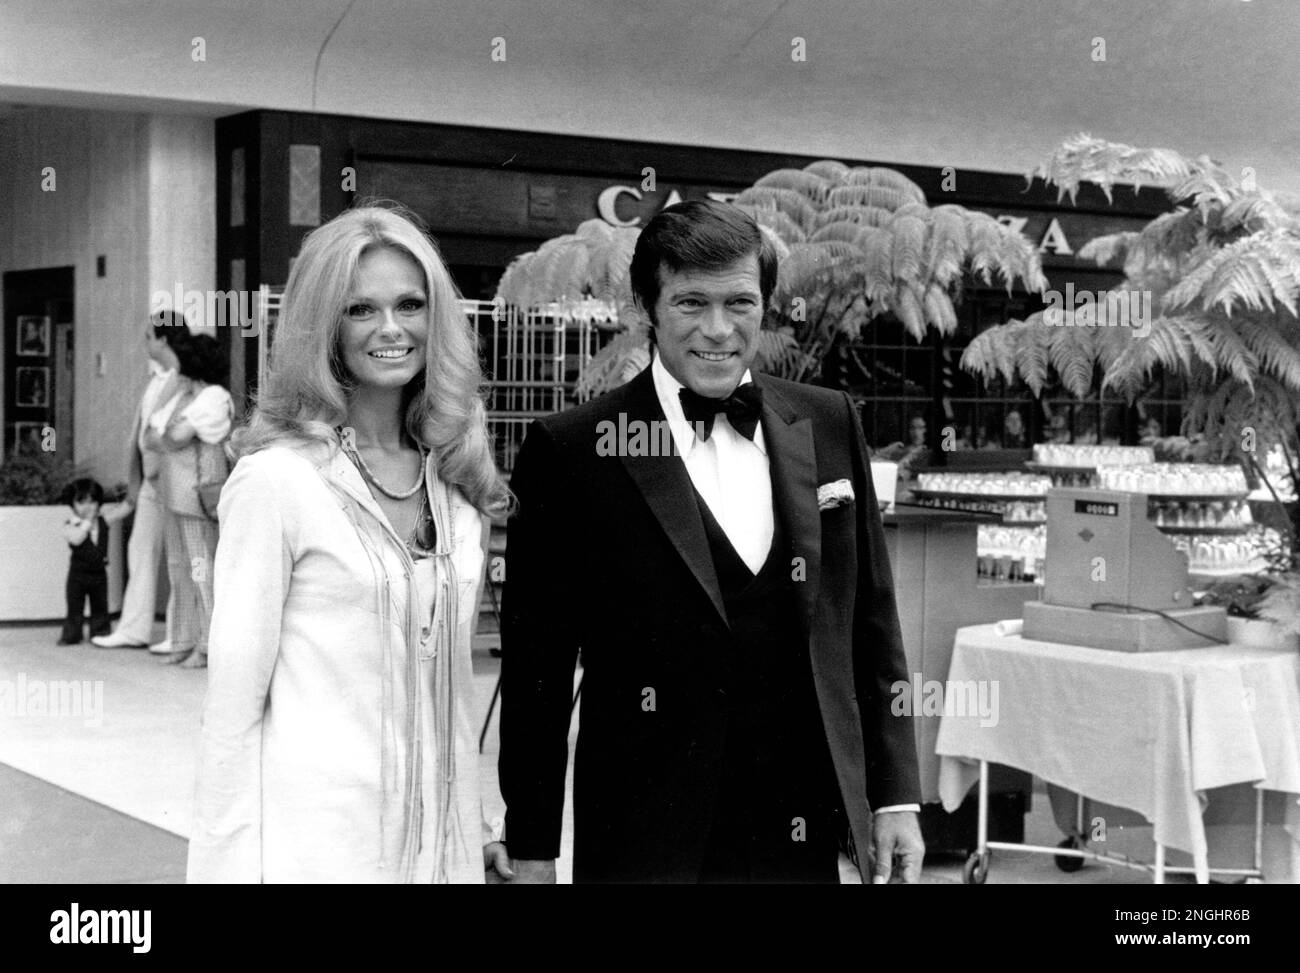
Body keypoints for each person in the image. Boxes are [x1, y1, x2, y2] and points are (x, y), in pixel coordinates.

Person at [499, 200, 924, 884]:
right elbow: (536, 677)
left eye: (740, 303)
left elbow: (873, 625)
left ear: (765, 306)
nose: (718, 330)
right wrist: (532, 848)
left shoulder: (828, 421)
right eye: (691, 303)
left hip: (800, 825)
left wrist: (896, 794)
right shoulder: (570, 452)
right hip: (641, 833)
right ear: (645, 310)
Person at [187, 204, 513, 883]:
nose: (391, 328)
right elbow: (232, 709)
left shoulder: (455, 482)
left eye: (410, 304)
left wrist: (477, 826)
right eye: (360, 309)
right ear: (322, 325)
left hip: (440, 852)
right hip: (317, 849)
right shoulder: (275, 481)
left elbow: (453, 691)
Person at [92, 312, 189, 653]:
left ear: (163, 340)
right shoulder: (156, 380)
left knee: (181, 556)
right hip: (151, 481)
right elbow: (140, 435)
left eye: (148, 336)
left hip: (176, 480)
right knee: (141, 551)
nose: (144, 343)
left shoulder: (187, 379)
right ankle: (133, 629)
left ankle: (180, 634)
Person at [147, 333, 234, 669]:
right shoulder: (187, 393)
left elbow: (170, 436)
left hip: (199, 495)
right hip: (175, 493)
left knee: (201, 571)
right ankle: (184, 640)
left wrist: (167, 432)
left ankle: (208, 644)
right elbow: (152, 436)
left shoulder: (214, 397)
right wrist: (167, 431)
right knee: (179, 570)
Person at [58, 478, 132, 645]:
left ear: (99, 502)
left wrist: (130, 492)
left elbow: (125, 509)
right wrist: (87, 522)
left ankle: (100, 632)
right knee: (75, 606)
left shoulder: (103, 521)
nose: (88, 507)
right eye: (81, 502)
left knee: (100, 604)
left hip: (99, 573)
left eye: (92, 502)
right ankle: (71, 634)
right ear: (72, 504)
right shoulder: (70, 525)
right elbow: (76, 539)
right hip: (77, 574)